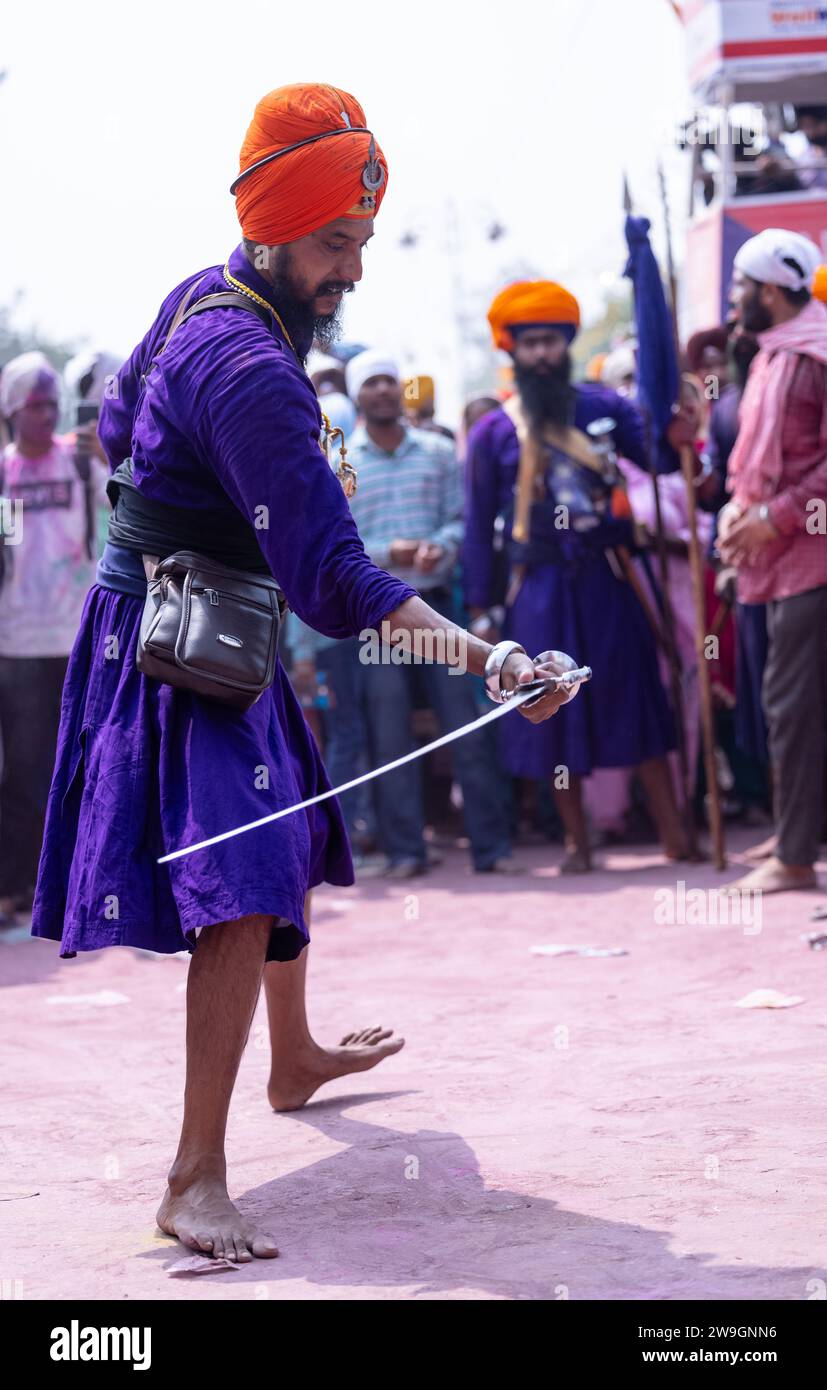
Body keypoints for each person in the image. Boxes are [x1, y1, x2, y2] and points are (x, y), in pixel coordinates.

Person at [30, 83, 573, 1262]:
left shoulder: (208, 290)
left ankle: (291, 1057)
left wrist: (190, 502)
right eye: (337, 245)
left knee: (285, 840)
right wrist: (492, 660)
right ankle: (192, 1175)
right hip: (181, 638)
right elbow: (338, 585)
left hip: (220, 614)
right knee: (240, 876)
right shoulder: (253, 370)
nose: (355, 273)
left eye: (364, 243)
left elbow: (123, 419)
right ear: (272, 226)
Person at [464, 280, 690, 872]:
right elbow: (475, 525)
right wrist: (480, 606)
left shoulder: (608, 408)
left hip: (608, 579)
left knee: (633, 699)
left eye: (551, 342)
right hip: (536, 589)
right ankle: (576, 846)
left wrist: (680, 432)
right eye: (530, 343)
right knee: (549, 703)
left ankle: (675, 835)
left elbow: (662, 462)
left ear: (566, 345)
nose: (541, 353)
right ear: (512, 350)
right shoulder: (492, 432)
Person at [344, 348, 518, 876]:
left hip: (437, 610)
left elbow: (463, 521)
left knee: (464, 725)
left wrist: (439, 547)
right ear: (357, 394)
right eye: (370, 383)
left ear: (401, 391)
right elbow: (340, 543)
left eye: (388, 382)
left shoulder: (439, 452)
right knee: (389, 733)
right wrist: (387, 554)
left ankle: (492, 848)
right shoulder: (340, 463)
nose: (380, 391)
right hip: (377, 619)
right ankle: (405, 852)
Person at [720, 229, 827, 894]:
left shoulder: (814, 355)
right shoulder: (768, 353)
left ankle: (793, 857)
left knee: (792, 707)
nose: (732, 300)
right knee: (786, 706)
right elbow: (755, 465)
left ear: (766, 290)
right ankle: (797, 832)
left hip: (810, 556)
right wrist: (740, 512)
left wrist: (774, 516)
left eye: (738, 286)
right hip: (772, 561)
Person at [0, 352, 107, 925]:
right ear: (14, 411)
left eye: (50, 404)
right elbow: (7, 551)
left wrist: (109, 456)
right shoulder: (4, 474)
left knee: (84, 765)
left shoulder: (80, 464)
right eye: (33, 406)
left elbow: (123, 506)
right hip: (17, 643)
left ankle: (82, 884)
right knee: (24, 768)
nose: (45, 414)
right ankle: (19, 887)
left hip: (76, 638)